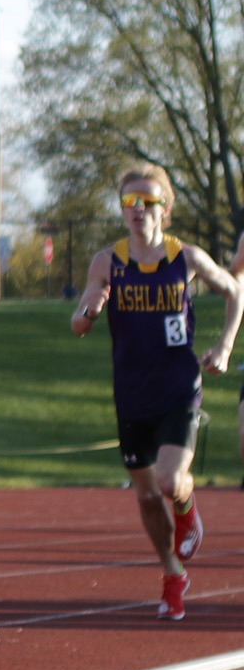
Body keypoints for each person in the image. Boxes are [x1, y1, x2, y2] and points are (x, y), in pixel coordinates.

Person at [72, 163, 242, 621]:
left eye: (148, 202)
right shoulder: (107, 262)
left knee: (169, 481)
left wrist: (224, 347)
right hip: (131, 392)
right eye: (130, 201)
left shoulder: (186, 258)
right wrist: (90, 310)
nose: (138, 209)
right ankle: (173, 574)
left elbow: (235, 291)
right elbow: (78, 324)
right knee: (147, 497)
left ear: (165, 209)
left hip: (178, 386)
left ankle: (187, 507)